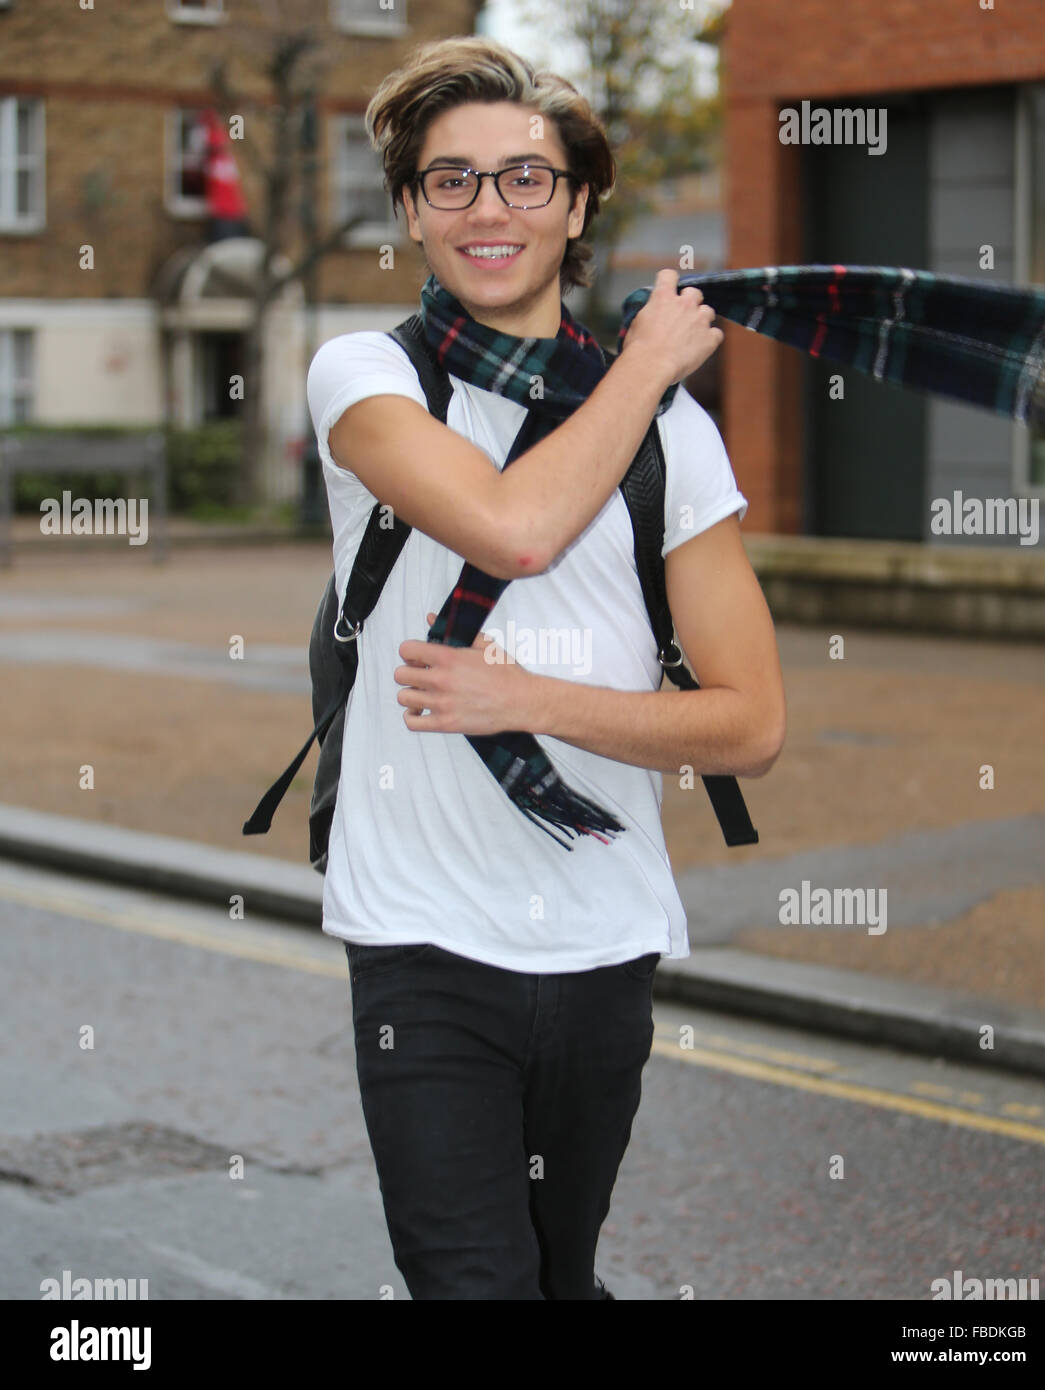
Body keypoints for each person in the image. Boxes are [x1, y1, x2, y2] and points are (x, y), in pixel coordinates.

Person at [305, 35, 786, 1301]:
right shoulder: (368, 376)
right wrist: (638, 368)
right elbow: (510, 526)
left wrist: (529, 701)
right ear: (409, 207)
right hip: (416, 937)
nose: (487, 208)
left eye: (525, 177)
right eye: (450, 179)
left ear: (577, 203)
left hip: (600, 939)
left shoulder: (670, 437)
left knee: (557, 1278)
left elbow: (748, 726)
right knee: (473, 1283)